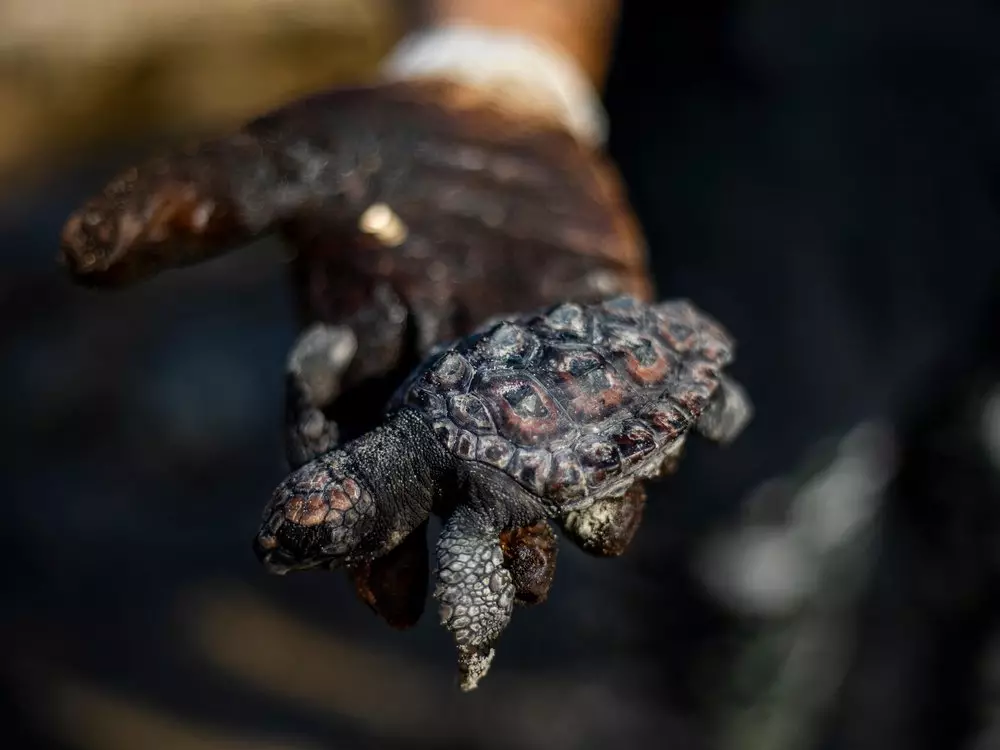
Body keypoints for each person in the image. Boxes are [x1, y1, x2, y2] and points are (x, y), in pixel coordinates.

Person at [50, 1, 1000, 748]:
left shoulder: (450, 465)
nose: (298, 530)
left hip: (743, 278)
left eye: (310, 517)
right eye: (312, 517)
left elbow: (475, 532)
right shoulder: (424, 424)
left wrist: (474, 634)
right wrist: (495, 63)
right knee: (759, 530)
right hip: (770, 140)